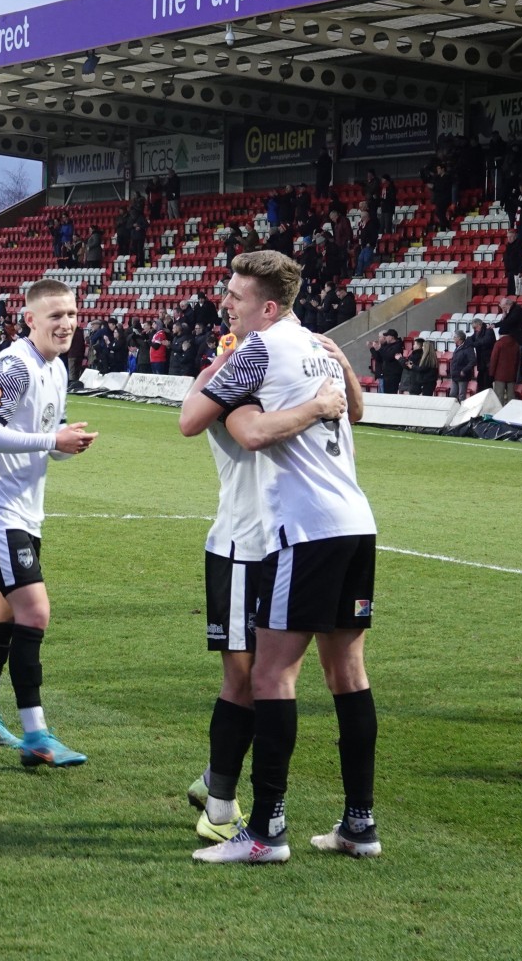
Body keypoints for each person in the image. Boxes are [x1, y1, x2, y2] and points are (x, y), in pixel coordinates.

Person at [189, 250, 379, 865]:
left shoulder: (259, 349)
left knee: (271, 675)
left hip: (304, 531)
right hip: (356, 523)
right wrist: (333, 395)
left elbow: (219, 426)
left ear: (267, 308)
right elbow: (357, 410)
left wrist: (294, 406)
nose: (227, 304)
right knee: (347, 673)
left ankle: (265, 833)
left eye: (237, 297)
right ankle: (358, 824)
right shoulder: (321, 347)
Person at [179, 318, 346, 849]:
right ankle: (221, 809)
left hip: (280, 548)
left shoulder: (272, 393)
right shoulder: (233, 400)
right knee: (246, 681)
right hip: (240, 551)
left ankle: (214, 780)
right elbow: (205, 418)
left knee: (261, 681)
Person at [0, 278, 97, 767]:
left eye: (71, 314)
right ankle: (37, 736)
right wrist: (50, 442)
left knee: (4, 613)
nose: (65, 324)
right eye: (55, 315)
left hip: (24, 510)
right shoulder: (15, 365)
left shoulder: (56, 368)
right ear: (30, 320)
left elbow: (43, 439)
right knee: (33, 613)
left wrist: (64, 444)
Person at [490, 333, 519, 406]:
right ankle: (510, 414)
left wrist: (491, 373)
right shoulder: (516, 344)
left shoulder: (499, 344)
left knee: (499, 397)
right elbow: (518, 361)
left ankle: (499, 414)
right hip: (512, 374)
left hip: (499, 375)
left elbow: (494, 359)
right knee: (511, 397)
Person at [468, 318, 496, 390]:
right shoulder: (477, 332)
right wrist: (469, 341)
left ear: (479, 325)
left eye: (475, 327)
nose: (474, 329)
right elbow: (471, 338)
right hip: (481, 361)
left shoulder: (488, 331)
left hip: (488, 361)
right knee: (480, 381)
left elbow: (485, 341)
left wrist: (473, 344)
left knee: (487, 382)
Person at [450, 331, 476, 402]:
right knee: (452, 394)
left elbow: (473, 361)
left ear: (459, 338)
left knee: (462, 395)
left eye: (455, 337)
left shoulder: (468, 348)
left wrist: (464, 370)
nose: (453, 338)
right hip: (455, 375)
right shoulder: (457, 348)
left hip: (463, 376)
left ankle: (462, 410)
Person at [502, 231, 522, 297]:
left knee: (517, 292)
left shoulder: (519, 246)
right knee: (511, 292)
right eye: (508, 237)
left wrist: (521, 271)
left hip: (517, 272)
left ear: (515, 237)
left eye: (510, 237)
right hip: (510, 272)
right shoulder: (508, 246)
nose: (509, 239)